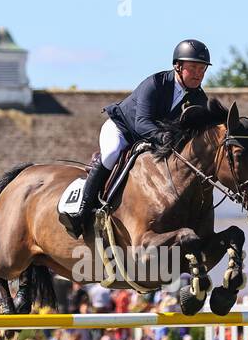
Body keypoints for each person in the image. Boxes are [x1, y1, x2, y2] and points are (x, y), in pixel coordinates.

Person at [75, 39, 212, 236]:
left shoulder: (199, 99)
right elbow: (141, 123)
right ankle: (85, 209)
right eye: (194, 67)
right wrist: (165, 137)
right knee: (111, 154)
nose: (199, 73)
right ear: (178, 66)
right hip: (123, 130)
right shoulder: (155, 84)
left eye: (203, 69)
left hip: (151, 142)